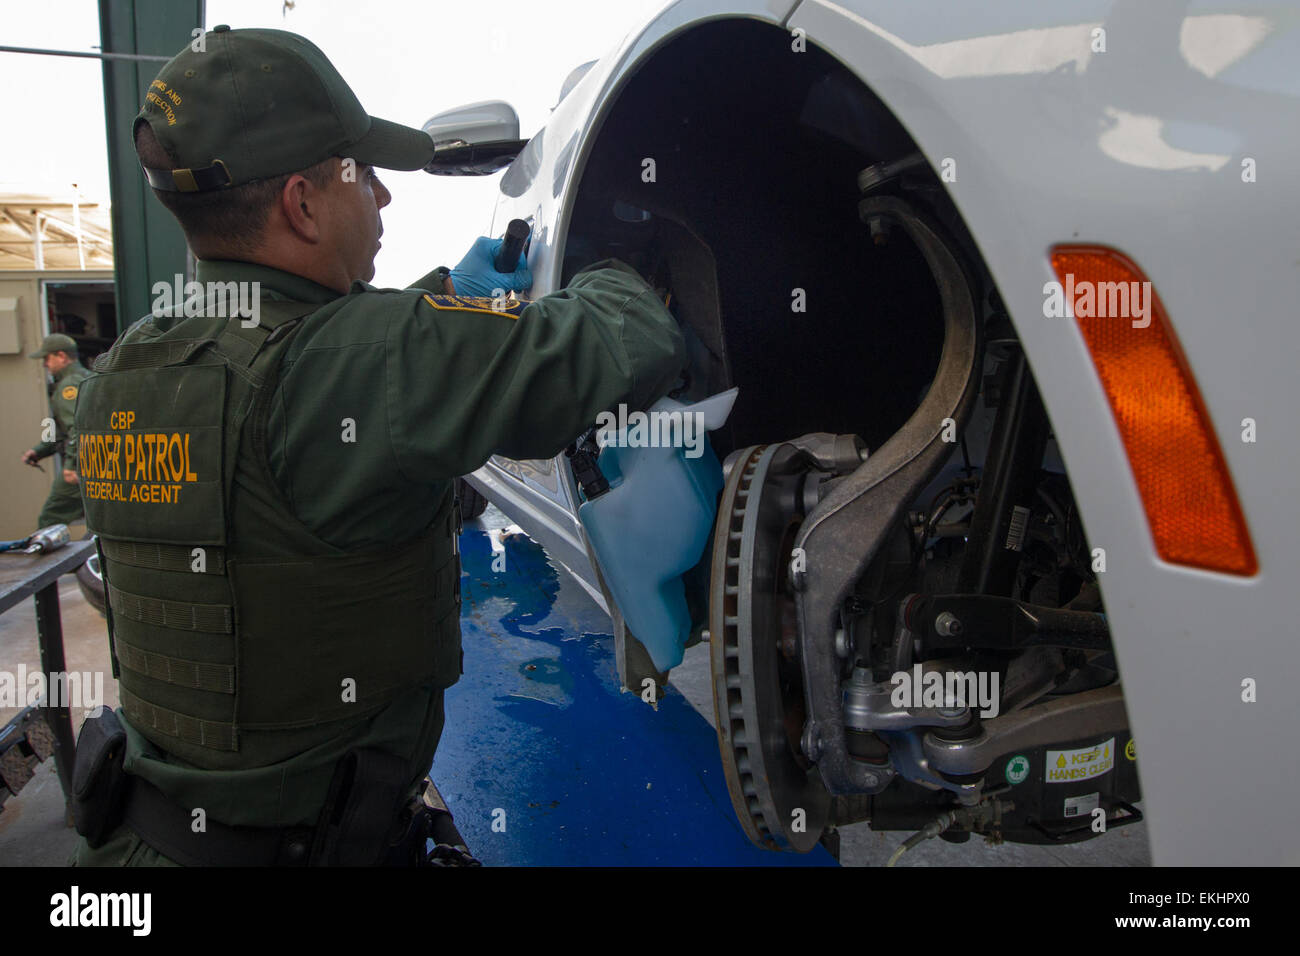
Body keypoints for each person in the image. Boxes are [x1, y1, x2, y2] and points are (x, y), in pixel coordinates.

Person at [70, 26, 686, 865]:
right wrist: (620, 262)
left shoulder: (122, 372)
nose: (386, 200)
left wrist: (449, 298)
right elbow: (623, 341)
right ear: (302, 203)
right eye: (364, 176)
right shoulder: (352, 366)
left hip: (140, 847)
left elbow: (335, 373)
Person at [21, 333, 88, 529]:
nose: (45, 364)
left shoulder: (69, 386)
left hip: (82, 463)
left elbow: (78, 426)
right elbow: (59, 431)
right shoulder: (83, 378)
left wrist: (71, 465)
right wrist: (39, 450)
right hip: (94, 459)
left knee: (50, 519)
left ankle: (48, 558)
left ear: (61, 356)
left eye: (47, 358)